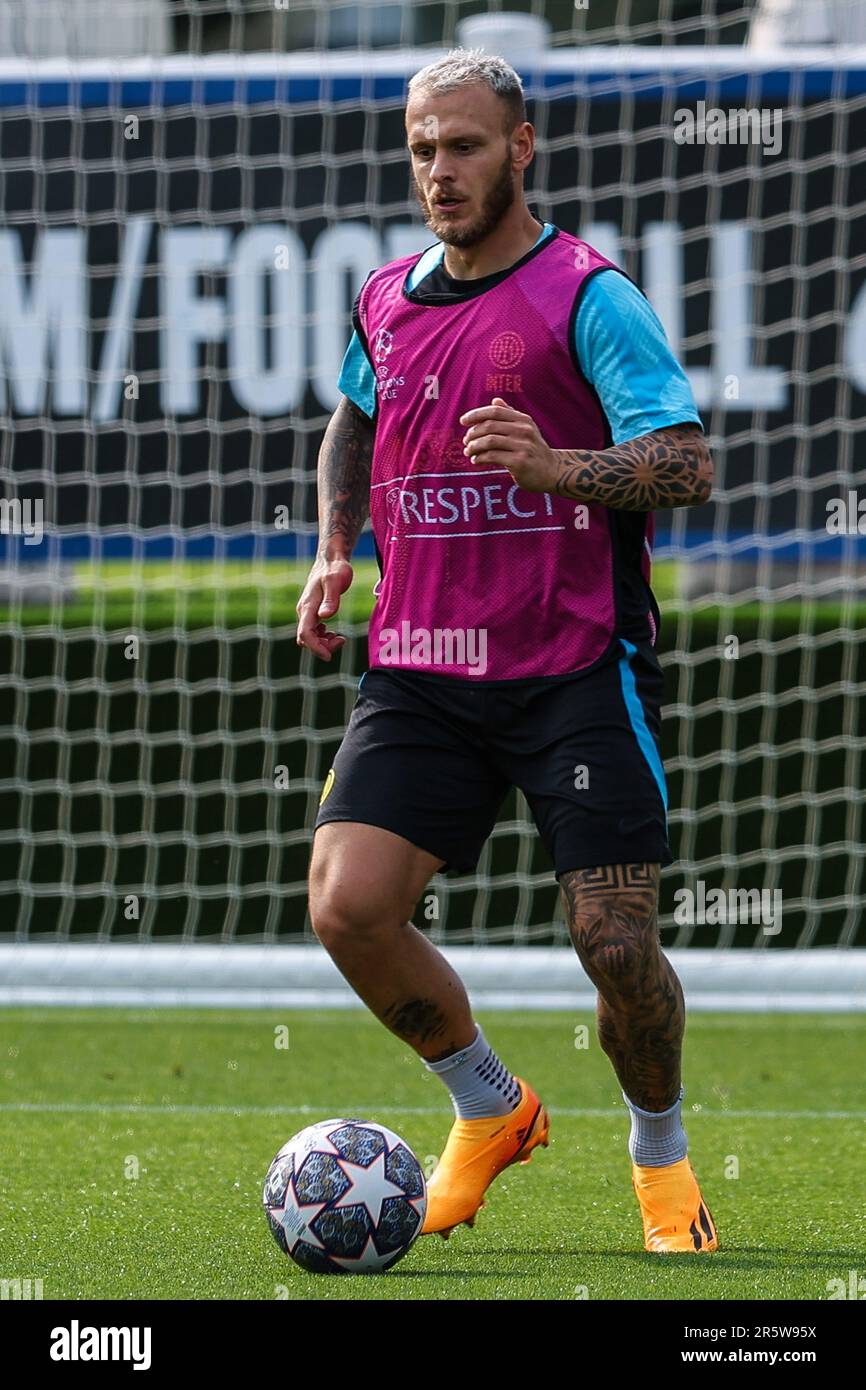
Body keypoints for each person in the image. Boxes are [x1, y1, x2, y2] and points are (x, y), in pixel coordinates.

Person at [297, 48, 718, 1252]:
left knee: (613, 943)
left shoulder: (588, 293)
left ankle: (660, 1153)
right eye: (424, 148)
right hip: (422, 662)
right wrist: (335, 546)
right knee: (347, 906)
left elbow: (684, 462)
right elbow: (351, 421)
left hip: (570, 664)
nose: (440, 170)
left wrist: (554, 468)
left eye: (465, 145)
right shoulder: (385, 295)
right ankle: (490, 1106)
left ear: (519, 149)